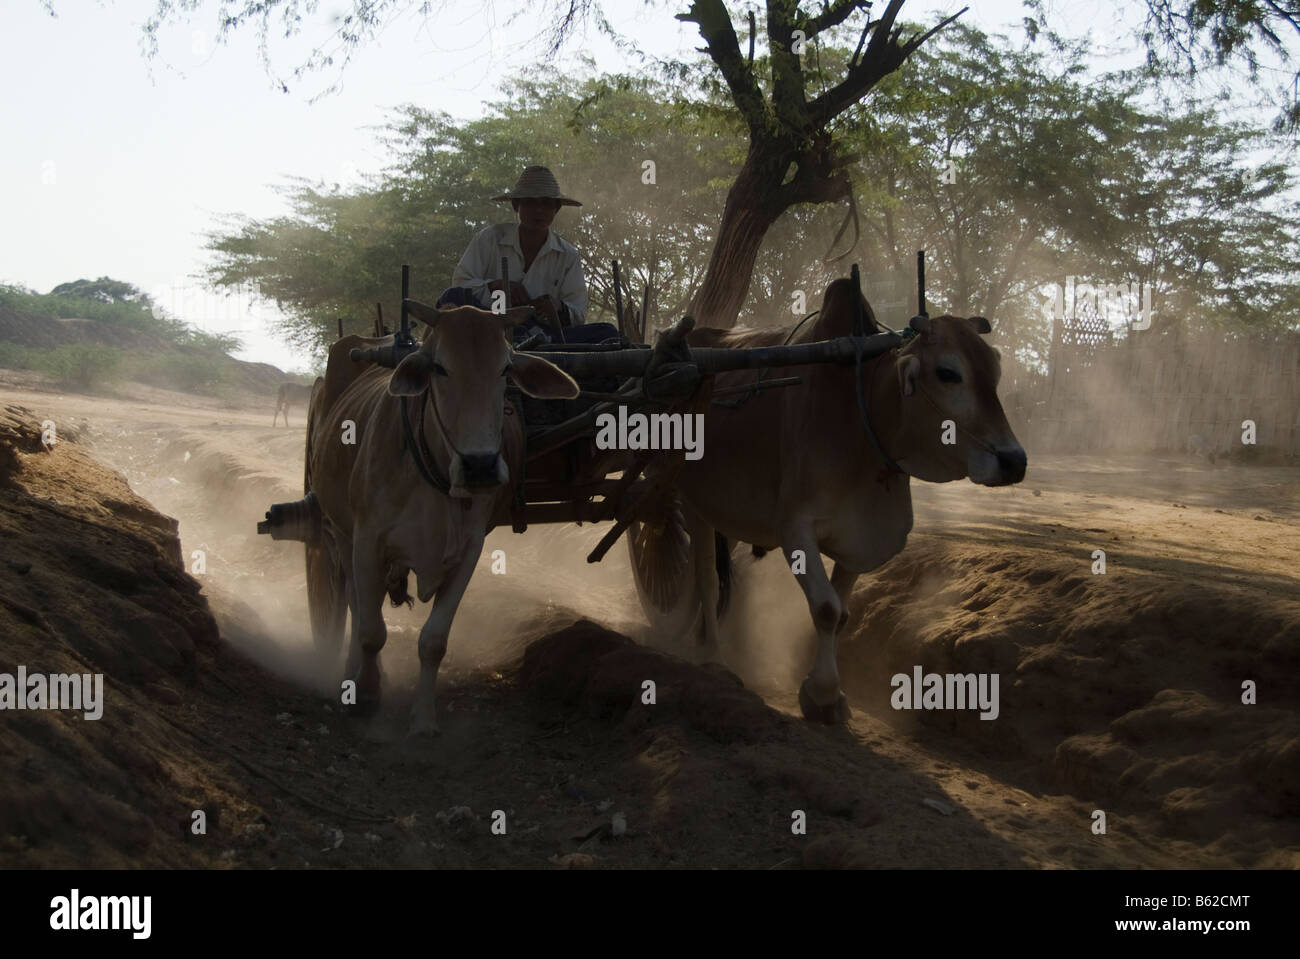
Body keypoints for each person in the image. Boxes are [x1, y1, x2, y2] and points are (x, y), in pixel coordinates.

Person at [438, 166, 619, 345]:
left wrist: (557, 308)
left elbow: (577, 313)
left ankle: (528, 337)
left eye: (546, 203)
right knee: (451, 296)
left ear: (556, 209)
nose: (539, 210)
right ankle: (522, 336)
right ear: (517, 205)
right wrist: (496, 286)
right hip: (492, 321)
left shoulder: (567, 255)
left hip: (546, 332)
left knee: (607, 332)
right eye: (531, 202)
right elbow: (461, 283)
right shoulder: (490, 238)